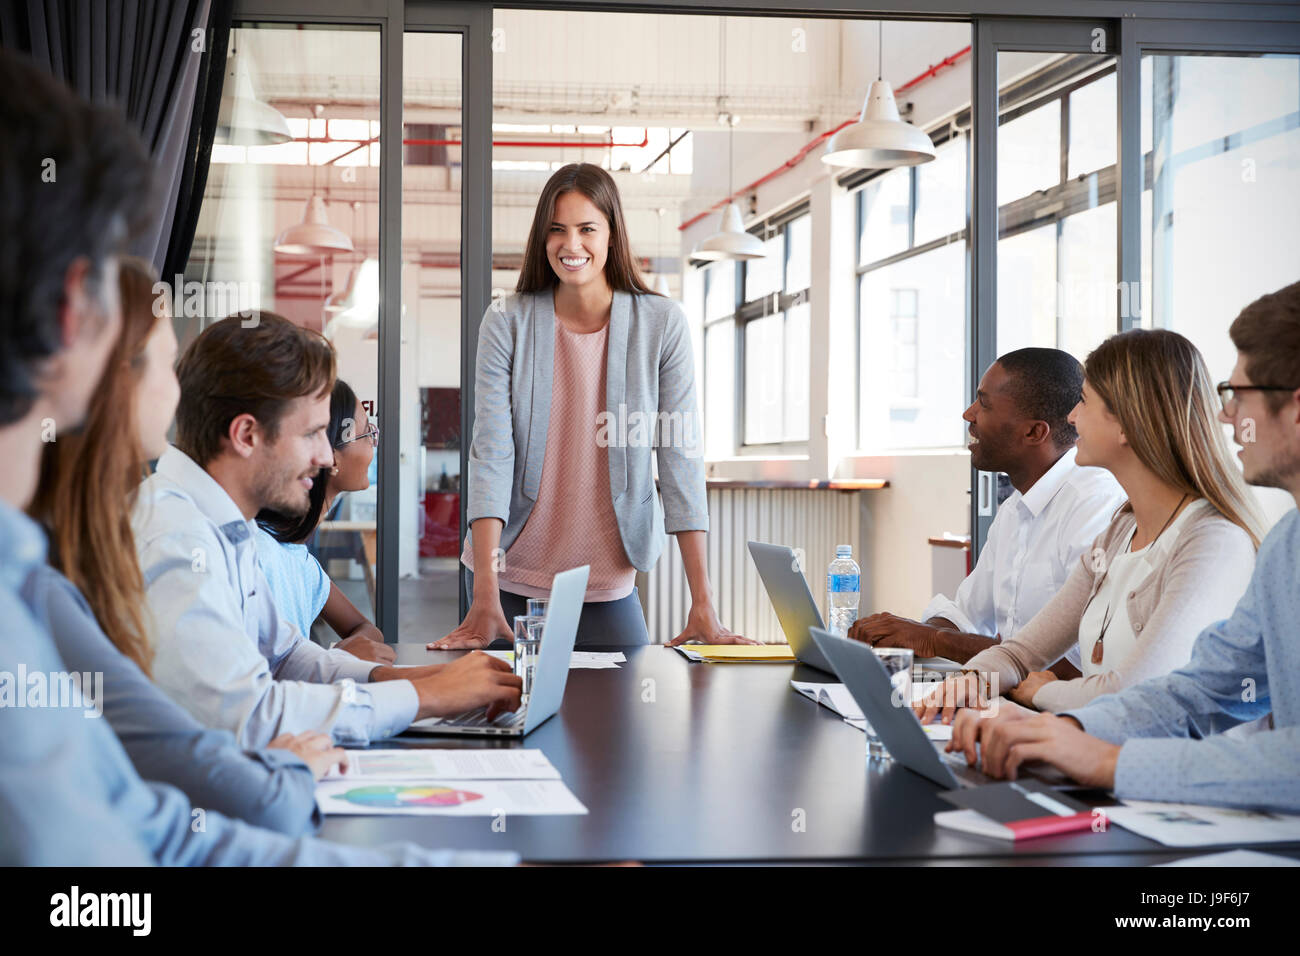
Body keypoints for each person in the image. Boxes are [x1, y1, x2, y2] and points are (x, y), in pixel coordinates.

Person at [0, 48, 515, 865]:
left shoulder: (34, 580)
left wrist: (398, 693)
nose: (328, 453)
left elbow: (166, 821)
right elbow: (199, 799)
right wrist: (406, 698)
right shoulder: (106, 560)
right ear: (73, 311)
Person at [944, 282, 1300, 812]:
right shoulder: (1285, 546)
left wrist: (1094, 751)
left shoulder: (1217, 541)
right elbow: (1196, 693)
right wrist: (1066, 731)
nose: (1227, 416)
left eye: (1238, 395)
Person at [27, 257, 336, 835]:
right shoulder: (44, 580)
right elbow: (227, 790)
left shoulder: (54, 561)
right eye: (167, 364)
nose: (179, 393)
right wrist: (278, 771)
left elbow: (161, 779)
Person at [133, 310, 522, 749]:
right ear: (246, 435)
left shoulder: (225, 525)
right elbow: (246, 717)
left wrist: (420, 678)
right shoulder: (178, 540)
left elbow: (286, 655)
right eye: (313, 434)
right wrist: (425, 696)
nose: (325, 456)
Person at [431, 162, 750, 650]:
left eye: (586, 229)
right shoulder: (506, 322)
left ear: (611, 234)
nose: (571, 245)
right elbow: (491, 455)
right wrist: (484, 592)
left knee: (623, 722)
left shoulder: (661, 324)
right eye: (557, 230)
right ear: (543, 238)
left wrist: (702, 601)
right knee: (506, 723)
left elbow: (680, 458)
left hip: (608, 584)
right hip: (509, 583)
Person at [917, 328, 1263, 721]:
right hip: (1098, 751)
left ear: (1126, 427)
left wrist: (1045, 692)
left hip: (1158, 772)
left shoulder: (1212, 542)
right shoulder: (1119, 532)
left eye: (1083, 402)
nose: (1071, 417)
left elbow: (1134, 695)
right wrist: (964, 684)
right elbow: (1018, 653)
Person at [851, 348, 1125, 672]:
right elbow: (967, 616)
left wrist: (934, 639)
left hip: (1054, 715)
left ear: (1034, 432)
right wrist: (900, 635)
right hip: (1007, 698)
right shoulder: (1015, 508)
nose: (969, 414)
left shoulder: (1093, 505)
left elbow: (1078, 666)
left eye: (984, 404)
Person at [256, 377, 394, 665]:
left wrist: (337, 657)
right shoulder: (262, 553)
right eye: (367, 433)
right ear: (330, 454)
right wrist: (332, 659)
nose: (374, 445)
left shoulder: (298, 558)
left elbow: (368, 631)